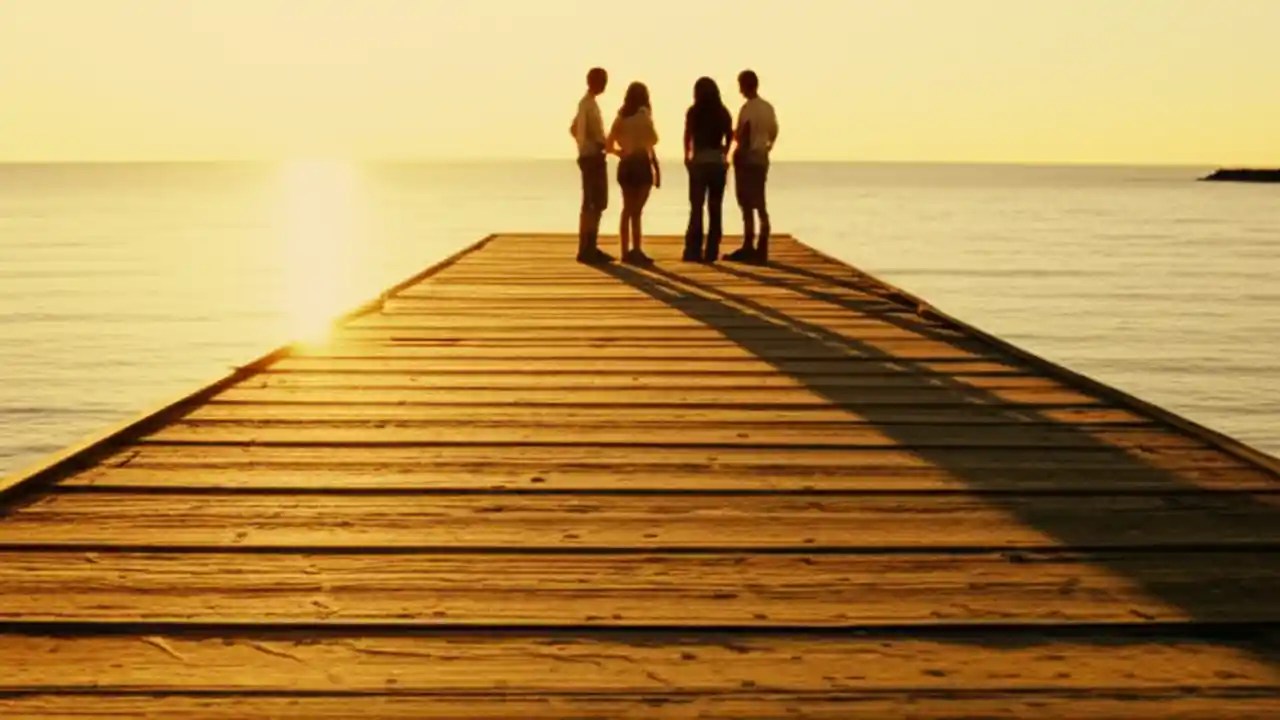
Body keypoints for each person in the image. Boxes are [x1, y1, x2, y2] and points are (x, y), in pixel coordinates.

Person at [726, 69, 779, 264]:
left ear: (745, 86)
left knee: (746, 203)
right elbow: (774, 132)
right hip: (761, 158)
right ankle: (762, 245)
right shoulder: (768, 108)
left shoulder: (747, 109)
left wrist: (734, 141)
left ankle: (749, 244)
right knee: (760, 202)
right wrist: (767, 147)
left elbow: (744, 133)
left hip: (747, 160)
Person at [606, 81, 661, 265]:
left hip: (626, 164)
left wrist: (619, 151)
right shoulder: (644, 116)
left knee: (627, 209)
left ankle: (625, 251)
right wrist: (656, 169)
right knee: (637, 211)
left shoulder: (620, 117)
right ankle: (636, 249)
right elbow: (653, 139)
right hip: (640, 164)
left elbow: (608, 144)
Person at [682, 77, 733, 263]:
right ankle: (712, 250)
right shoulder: (722, 112)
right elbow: (730, 135)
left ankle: (693, 249)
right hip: (717, 163)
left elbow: (687, 135)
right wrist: (725, 153)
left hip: (699, 162)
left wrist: (687, 155)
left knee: (696, 207)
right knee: (715, 207)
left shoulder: (694, 112)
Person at [569, 67, 613, 264]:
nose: (604, 85)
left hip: (592, 155)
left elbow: (574, 127)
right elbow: (585, 131)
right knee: (593, 202)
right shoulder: (587, 105)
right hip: (592, 157)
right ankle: (587, 247)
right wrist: (592, 145)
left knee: (595, 202)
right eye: (603, 81)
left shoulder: (588, 104)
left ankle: (589, 246)